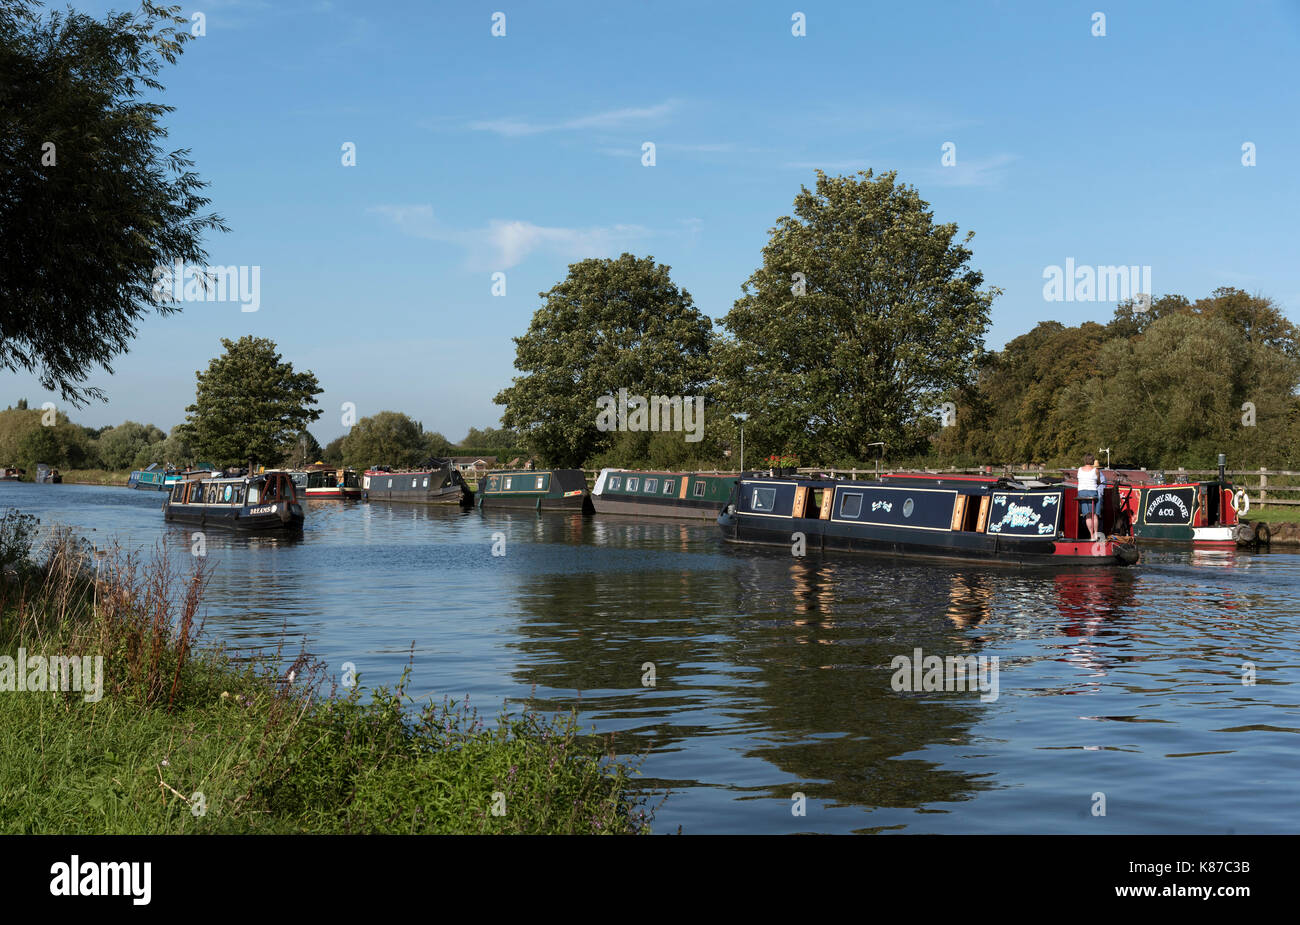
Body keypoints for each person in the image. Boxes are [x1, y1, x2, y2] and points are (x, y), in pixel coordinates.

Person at [1077, 453, 1105, 540]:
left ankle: (1091, 535)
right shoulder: (1095, 470)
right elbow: (1099, 482)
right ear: (1092, 461)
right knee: (1094, 515)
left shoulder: (1079, 469)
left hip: (1081, 493)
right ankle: (1096, 534)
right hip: (1092, 492)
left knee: (1088, 515)